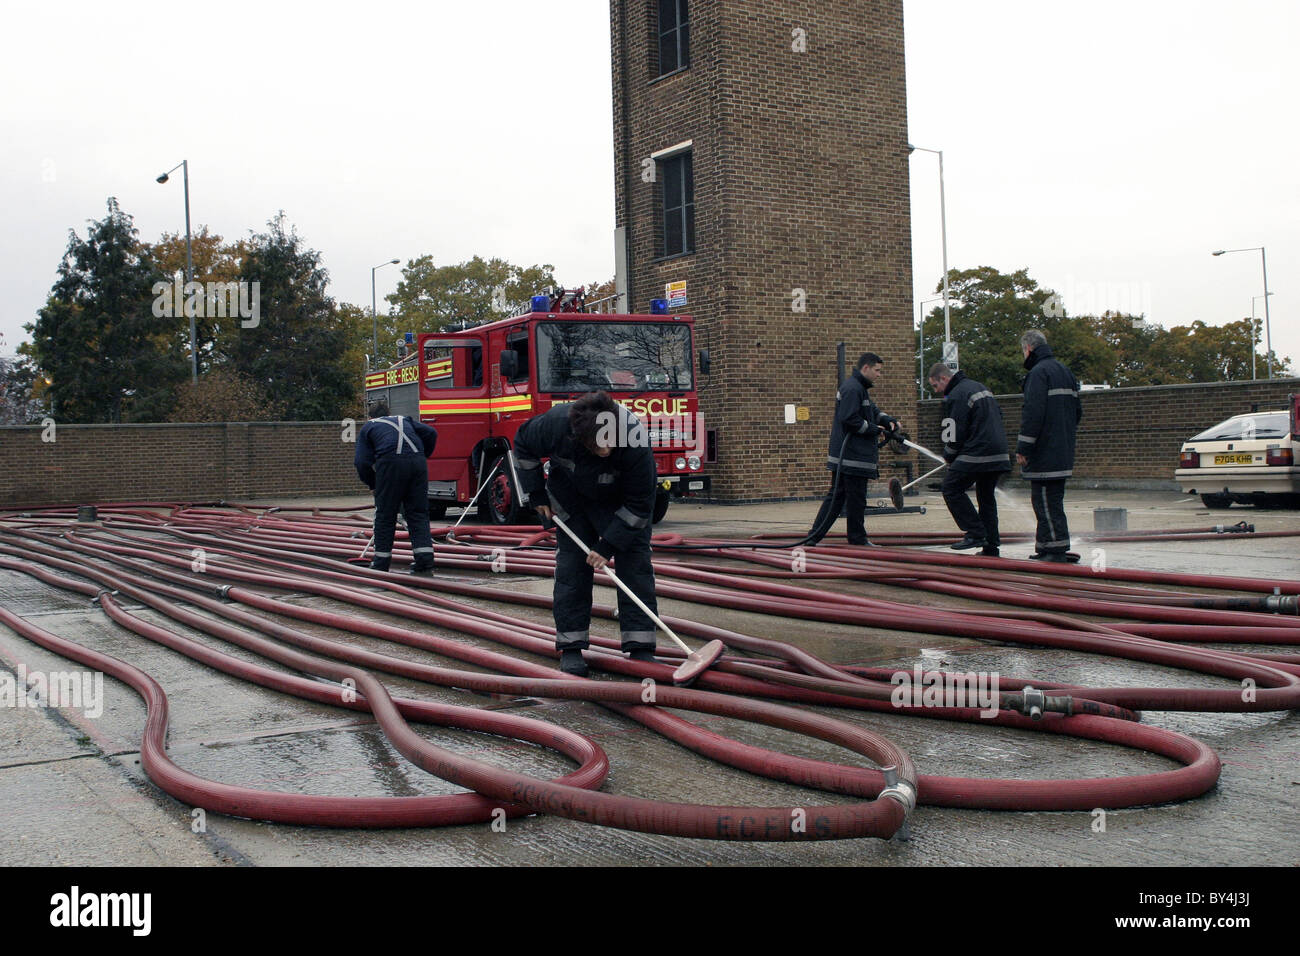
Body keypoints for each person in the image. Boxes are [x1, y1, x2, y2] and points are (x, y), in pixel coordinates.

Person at [513, 391, 659, 677]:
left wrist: (608, 545)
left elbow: (641, 504)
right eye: (597, 446)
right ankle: (571, 646)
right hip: (572, 504)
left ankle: (640, 646)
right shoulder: (555, 424)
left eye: (609, 445)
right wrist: (535, 492)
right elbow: (522, 444)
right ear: (578, 435)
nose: (605, 451)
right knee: (571, 572)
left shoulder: (635, 440)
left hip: (620, 504)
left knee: (635, 567)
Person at [806, 352, 900, 546]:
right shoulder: (853, 389)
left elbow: (870, 409)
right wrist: (875, 430)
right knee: (854, 500)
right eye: (877, 370)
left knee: (837, 499)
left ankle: (814, 537)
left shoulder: (858, 388)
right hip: (852, 457)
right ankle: (857, 540)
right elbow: (850, 419)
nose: (879, 375)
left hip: (849, 457)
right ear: (866, 368)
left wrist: (886, 420)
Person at [928, 362, 1010, 557]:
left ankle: (975, 532)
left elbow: (955, 431)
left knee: (950, 488)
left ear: (944, 378)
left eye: (935, 385)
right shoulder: (980, 387)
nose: (937, 391)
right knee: (986, 497)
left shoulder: (956, 395)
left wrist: (949, 455)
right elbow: (999, 415)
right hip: (998, 453)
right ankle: (991, 546)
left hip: (978, 452)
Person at [1016, 330, 1083, 562]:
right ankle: (1047, 546)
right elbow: (1078, 412)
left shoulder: (1038, 373)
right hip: (1062, 449)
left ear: (1029, 349)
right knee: (1052, 499)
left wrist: (1024, 447)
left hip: (1044, 452)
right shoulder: (1065, 371)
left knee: (1044, 500)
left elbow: (1032, 413)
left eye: (1023, 351)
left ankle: (1054, 549)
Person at [354, 400, 438, 574]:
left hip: (390, 464)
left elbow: (361, 462)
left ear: (370, 416)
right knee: (417, 513)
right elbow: (431, 432)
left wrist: (373, 483)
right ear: (389, 412)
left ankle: (381, 563)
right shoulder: (405, 420)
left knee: (385, 515)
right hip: (418, 464)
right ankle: (425, 561)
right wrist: (424, 455)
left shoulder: (369, 427)